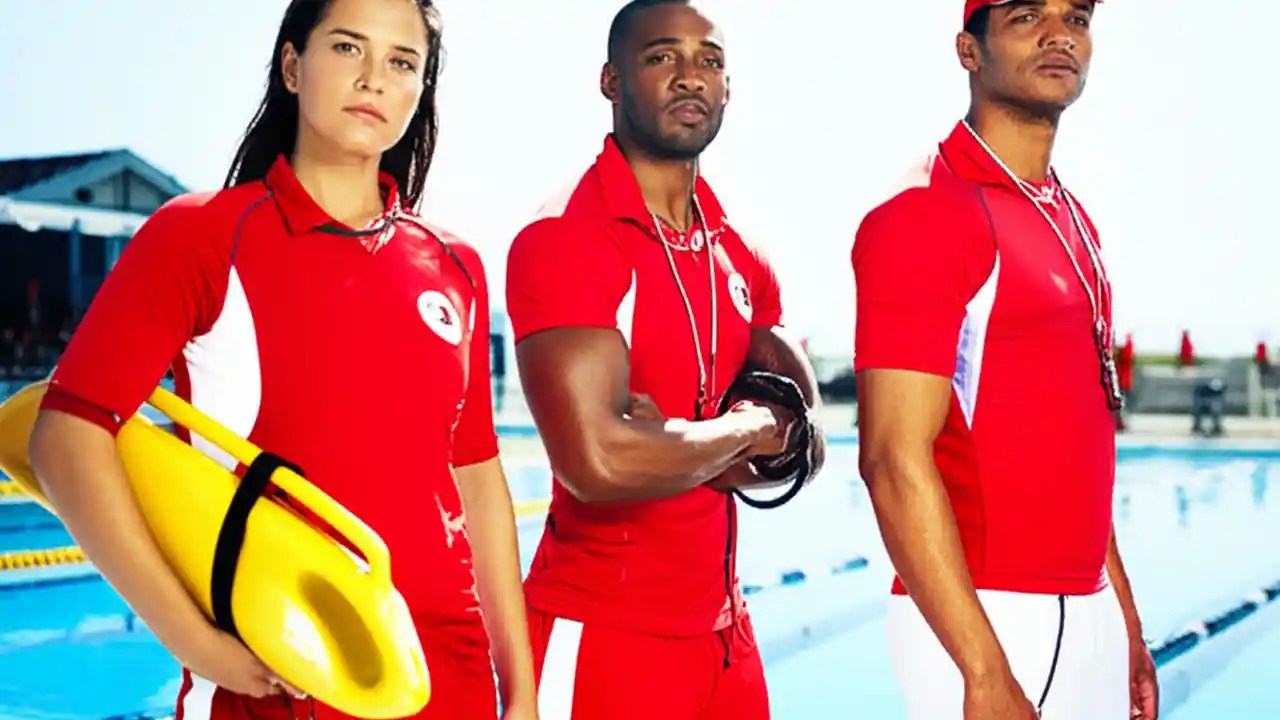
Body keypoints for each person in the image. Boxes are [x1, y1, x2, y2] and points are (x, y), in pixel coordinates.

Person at [26, 1, 536, 718]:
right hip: (280, 677)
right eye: (348, 48)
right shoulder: (202, 238)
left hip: (446, 677)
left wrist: (521, 691)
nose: (375, 79)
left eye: (402, 62)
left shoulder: (455, 265)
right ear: (293, 66)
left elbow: (478, 480)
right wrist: (200, 645)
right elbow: (65, 439)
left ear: (422, 89)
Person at [504, 1, 824, 717]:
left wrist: (679, 441)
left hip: (725, 641)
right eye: (662, 57)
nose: (690, 77)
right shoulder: (567, 240)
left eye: (708, 61)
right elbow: (601, 464)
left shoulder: (740, 251)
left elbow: (808, 440)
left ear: (728, 88)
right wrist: (742, 430)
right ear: (611, 81)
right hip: (604, 639)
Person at [850, 1, 1158, 719]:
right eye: (1026, 16)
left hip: (1086, 614)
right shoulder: (927, 212)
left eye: (1076, 17)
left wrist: (1125, 624)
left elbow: (1075, 448)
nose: (1060, 34)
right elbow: (893, 460)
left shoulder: (1070, 217)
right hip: (991, 617)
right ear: (970, 50)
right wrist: (983, 671)